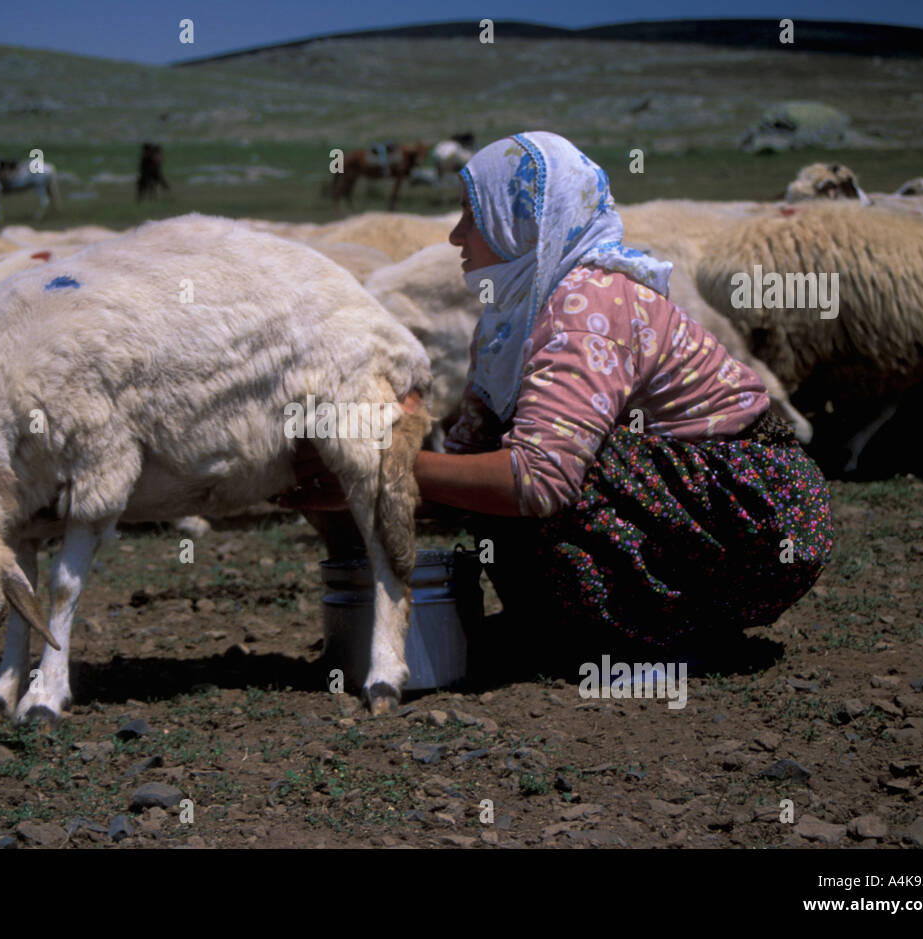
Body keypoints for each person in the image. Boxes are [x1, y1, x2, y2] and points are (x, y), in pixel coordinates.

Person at [283, 131, 832, 673]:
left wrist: (388, 465)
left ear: (522, 222)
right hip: (698, 501)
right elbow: (463, 470)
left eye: (473, 215)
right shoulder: (508, 323)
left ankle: (657, 631)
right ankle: (594, 627)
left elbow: (540, 479)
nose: (455, 234)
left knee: (563, 470)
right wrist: (361, 486)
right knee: (502, 468)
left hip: (756, 510)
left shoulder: (586, 306)